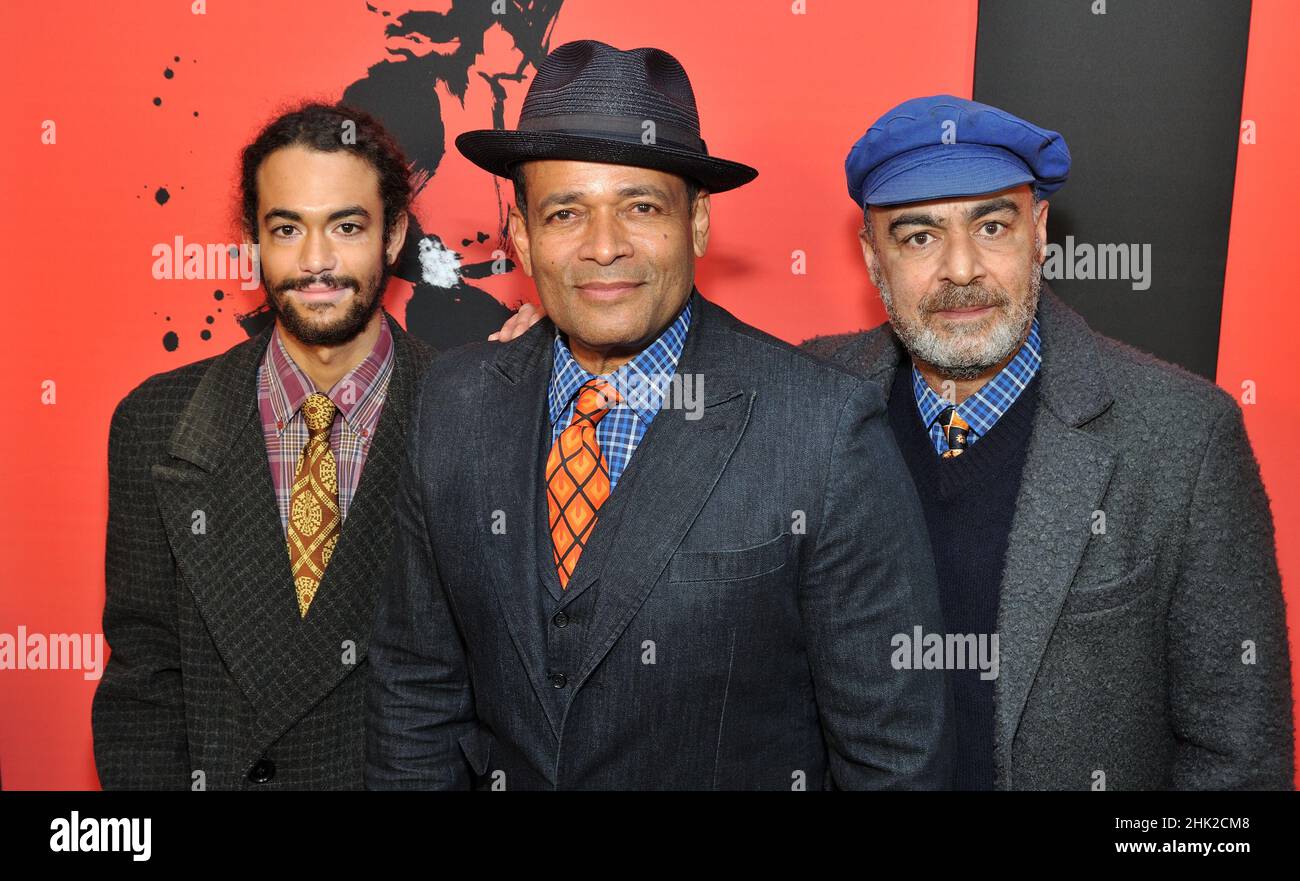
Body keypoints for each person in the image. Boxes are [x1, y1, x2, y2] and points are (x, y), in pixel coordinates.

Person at [364, 41, 954, 790]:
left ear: (698, 224)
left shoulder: (825, 431)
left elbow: (894, 763)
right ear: (521, 238)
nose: (604, 246)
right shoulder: (452, 403)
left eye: (640, 207)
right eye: (566, 211)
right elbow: (415, 691)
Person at [803, 95, 1294, 790]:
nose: (963, 269)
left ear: (1038, 231)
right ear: (871, 256)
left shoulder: (1185, 439)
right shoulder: (809, 397)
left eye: (992, 225)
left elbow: (1239, 761)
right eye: (919, 236)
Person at [92, 102, 531, 789]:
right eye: (288, 228)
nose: (317, 261)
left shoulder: (476, 414)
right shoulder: (157, 422)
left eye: (347, 226)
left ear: (394, 237)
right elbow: (143, 690)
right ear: (253, 241)